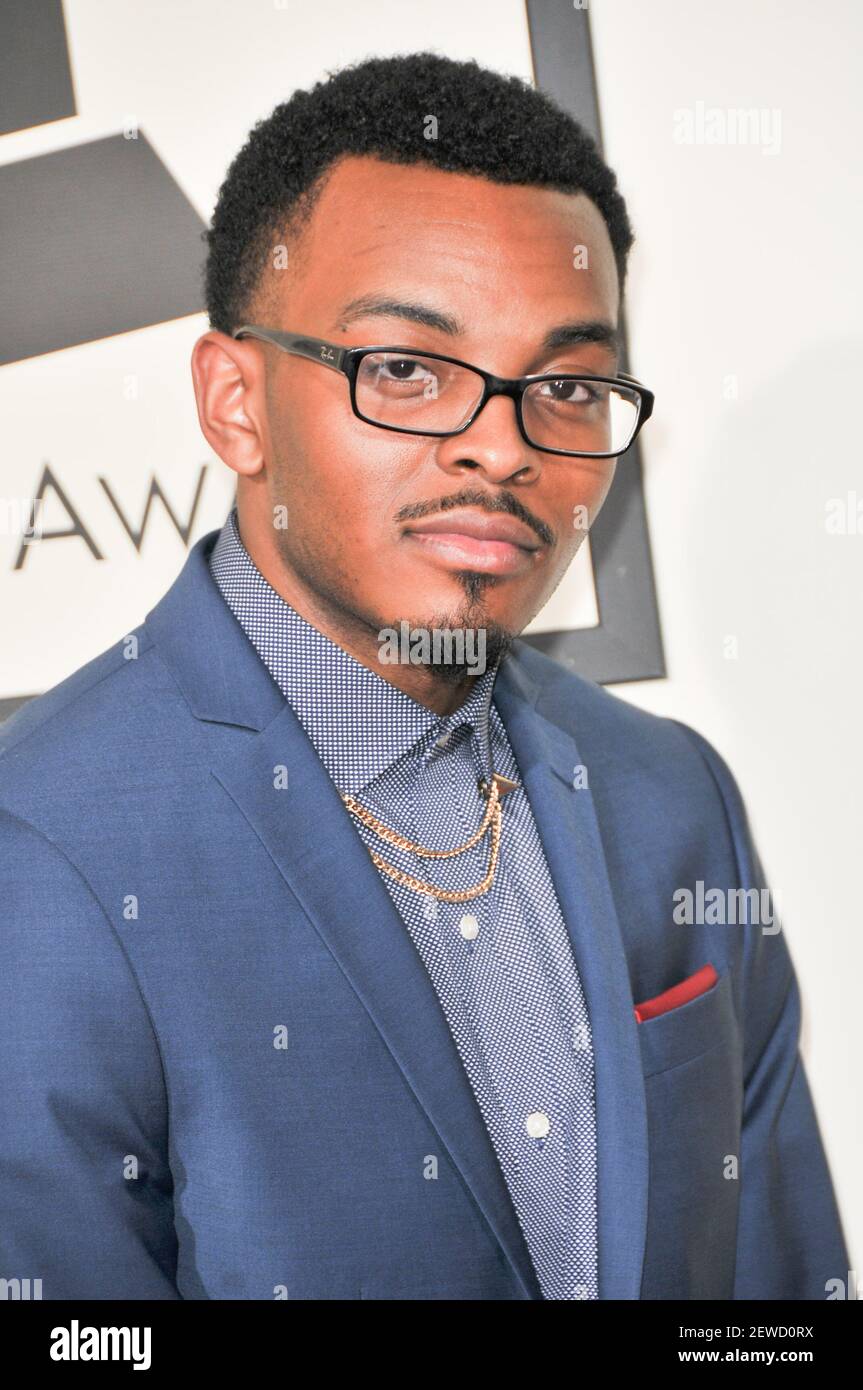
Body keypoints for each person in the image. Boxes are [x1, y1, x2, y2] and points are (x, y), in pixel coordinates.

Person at [0, 52, 848, 1300]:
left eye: (562, 385)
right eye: (404, 369)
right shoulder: (45, 850)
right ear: (235, 402)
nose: (502, 445)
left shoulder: (670, 797)